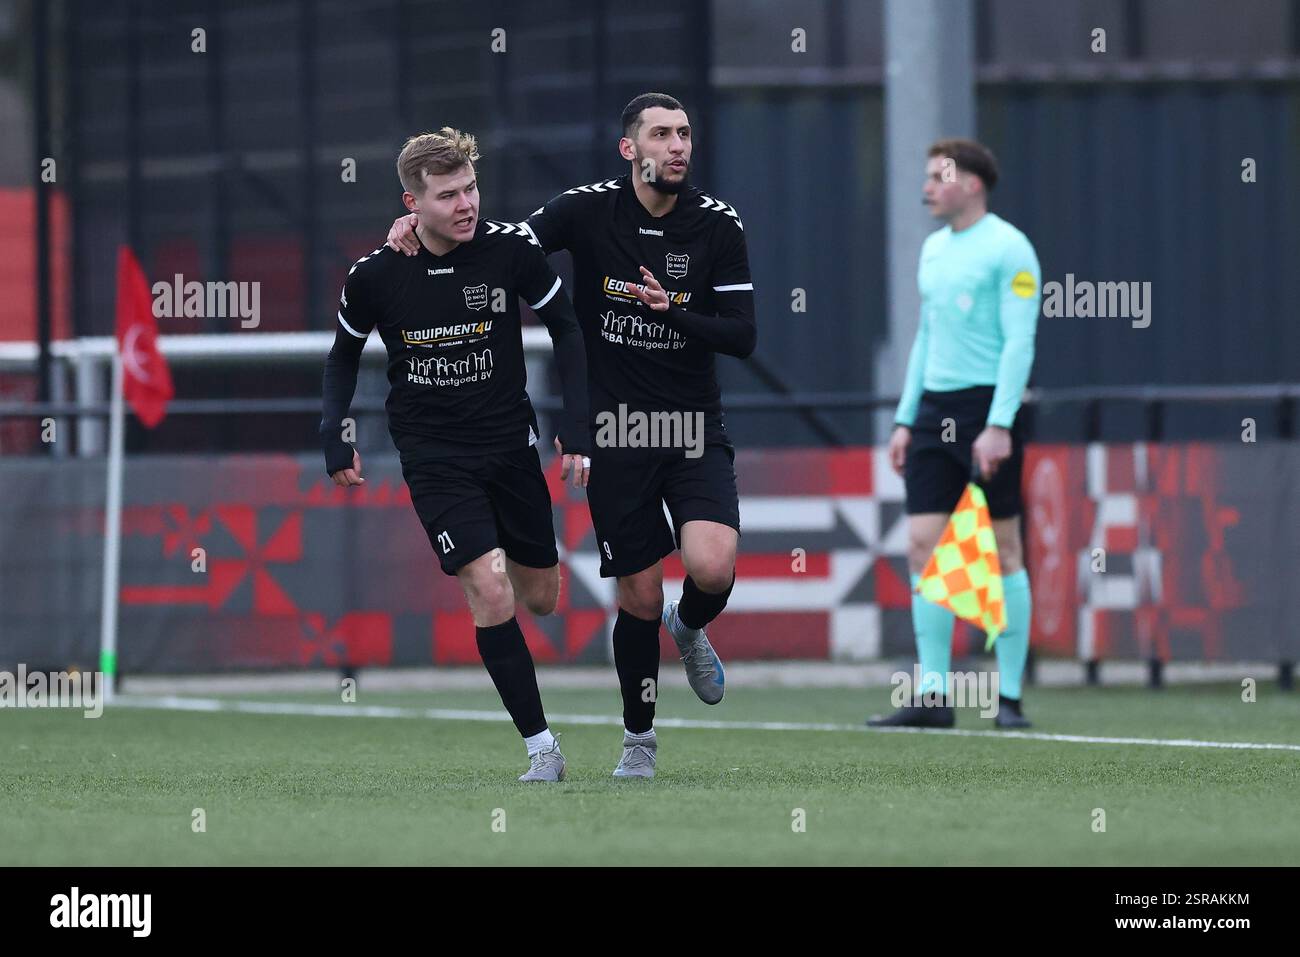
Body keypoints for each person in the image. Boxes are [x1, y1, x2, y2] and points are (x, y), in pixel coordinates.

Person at [386, 93, 757, 777]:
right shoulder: (585, 209)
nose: (677, 146)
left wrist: (671, 310)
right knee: (639, 594)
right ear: (630, 149)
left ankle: (690, 625)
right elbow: (495, 245)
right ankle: (639, 742)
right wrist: (416, 225)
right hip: (615, 428)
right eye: (661, 134)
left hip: (691, 424)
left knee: (712, 568)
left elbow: (742, 335)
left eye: (684, 133)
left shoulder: (717, 223)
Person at [321, 129, 590, 781]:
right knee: (489, 589)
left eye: (470, 188)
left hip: (510, 447)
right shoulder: (376, 274)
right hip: (435, 458)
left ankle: (511, 554)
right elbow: (343, 355)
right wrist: (334, 430)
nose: (466, 204)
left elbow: (567, 327)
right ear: (412, 203)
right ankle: (543, 749)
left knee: (541, 597)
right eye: (448, 195)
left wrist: (578, 422)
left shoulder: (510, 250)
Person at [868, 138, 1040, 730]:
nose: (926, 189)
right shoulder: (933, 250)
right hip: (933, 411)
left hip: (987, 408)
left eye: (937, 178)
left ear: (972, 184)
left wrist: (999, 424)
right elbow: (926, 338)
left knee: (1004, 548)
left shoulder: (1010, 248)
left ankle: (1009, 699)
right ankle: (934, 697)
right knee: (923, 544)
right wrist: (904, 418)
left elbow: (1019, 342)